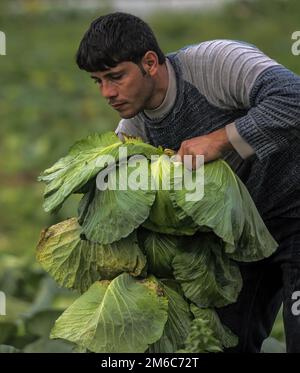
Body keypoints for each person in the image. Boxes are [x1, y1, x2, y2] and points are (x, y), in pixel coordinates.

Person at [76, 12, 300, 352]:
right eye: (98, 81)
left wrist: (221, 139)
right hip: (239, 236)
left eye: (115, 76)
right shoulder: (133, 135)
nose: (107, 92)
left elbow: (293, 98)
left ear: (150, 63)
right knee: (221, 344)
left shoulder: (217, 63)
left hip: (295, 205)